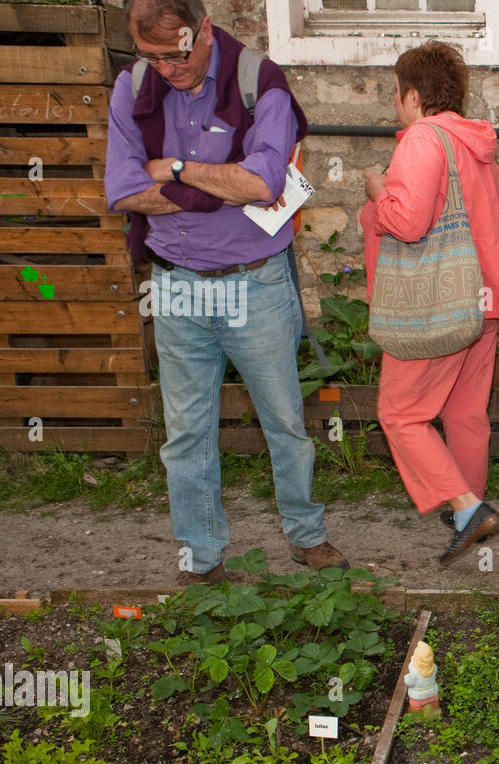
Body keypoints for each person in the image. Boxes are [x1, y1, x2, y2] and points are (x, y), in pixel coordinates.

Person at [104, 0, 348, 585]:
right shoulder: (132, 86)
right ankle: (202, 556)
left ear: (205, 28)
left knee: (284, 421)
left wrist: (178, 169)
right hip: (176, 285)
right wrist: (220, 183)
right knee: (186, 432)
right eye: (152, 56)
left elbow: (263, 183)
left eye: (177, 53)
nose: (167, 67)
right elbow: (123, 188)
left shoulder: (258, 81)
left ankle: (305, 534)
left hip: (255, 285)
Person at [363, 42, 499, 566]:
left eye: (394, 93)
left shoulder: (422, 140)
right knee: (464, 414)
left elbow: (408, 222)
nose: (394, 103)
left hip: (438, 302)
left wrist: (378, 192)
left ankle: (467, 507)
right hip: (485, 295)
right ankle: (467, 512)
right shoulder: (472, 143)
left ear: (412, 94)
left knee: (401, 413)